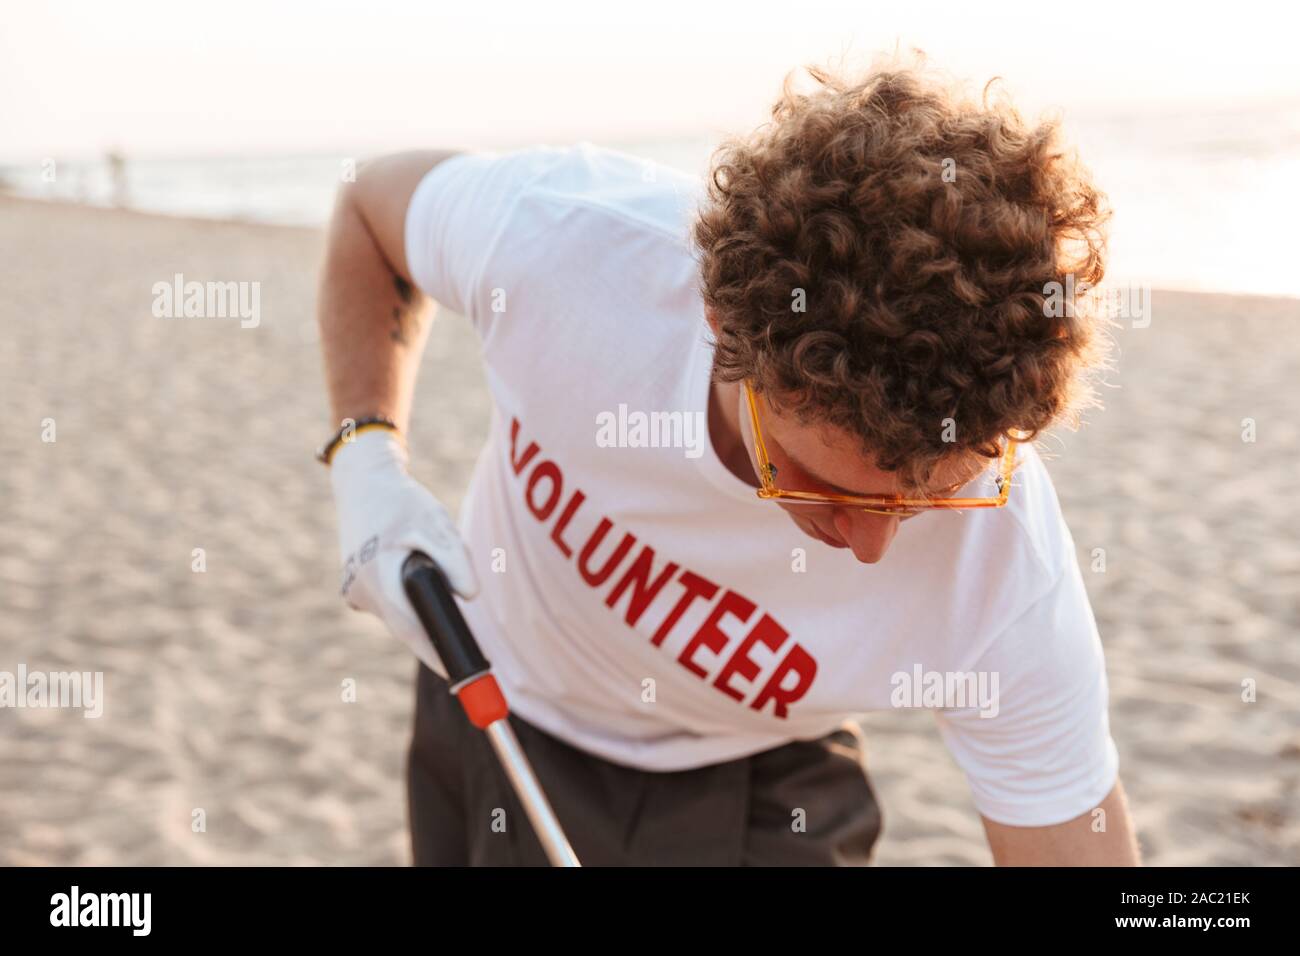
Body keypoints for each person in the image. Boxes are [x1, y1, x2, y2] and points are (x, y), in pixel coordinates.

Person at [316, 60, 1139, 866]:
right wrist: (366, 456)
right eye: (820, 483)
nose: (869, 548)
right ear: (722, 323)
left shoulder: (1006, 574)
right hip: (489, 696)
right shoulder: (562, 242)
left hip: (759, 785)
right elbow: (367, 210)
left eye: (927, 501)